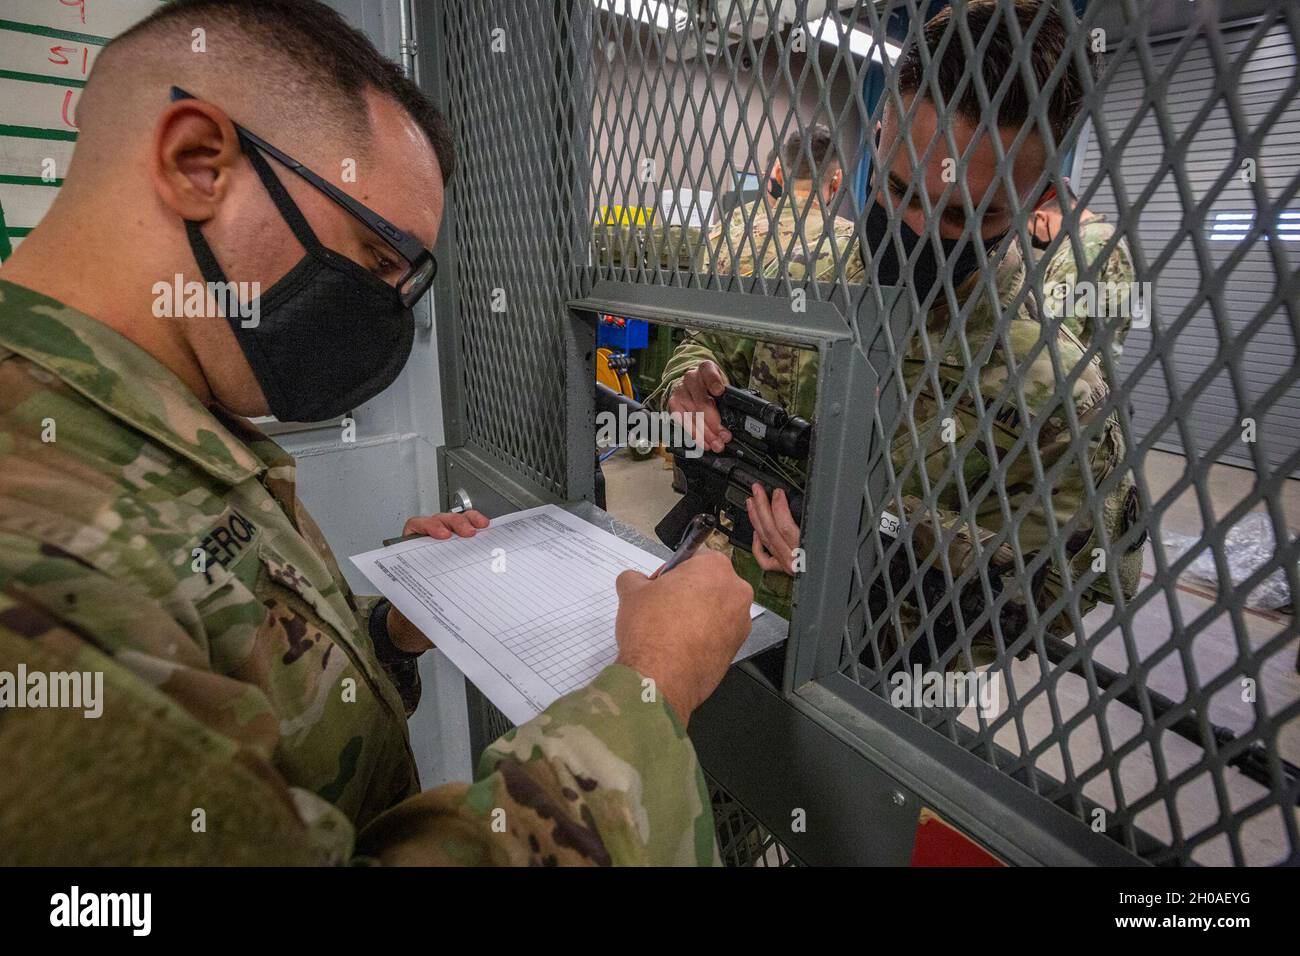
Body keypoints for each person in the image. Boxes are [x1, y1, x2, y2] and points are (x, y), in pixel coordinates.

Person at [0, 0, 754, 866]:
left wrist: (383, 633)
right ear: (197, 162)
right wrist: (651, 685)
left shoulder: (141, 419)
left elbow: (231, 692)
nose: (390, 313)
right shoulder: (29, 537)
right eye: (376, 259)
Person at [654, 0, 1145, 663]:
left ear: (1041, 201)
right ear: (880, 132)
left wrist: (862, 556)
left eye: (961, 216)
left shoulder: (1062, 395)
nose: (916, 231)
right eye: (899, 189)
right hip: (730, 624)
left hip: (882, 681)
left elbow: (1063, 591)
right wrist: (685, 387)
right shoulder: (795, 278)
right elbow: (702, 347)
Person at [647, 124, 863, 617]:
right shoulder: (853, 249)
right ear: (835, 183)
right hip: (800, 510)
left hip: (721, 454)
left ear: (776, 174)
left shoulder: (725, 231)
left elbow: (694, 341)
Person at [1030, 178, 1139, 369]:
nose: (1034, 239)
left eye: (1031, 231)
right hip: (1093, 377)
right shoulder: (1105, 236)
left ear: (1041, 218)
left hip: (1070, 377)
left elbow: (1054, 331)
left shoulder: (1081, 248)